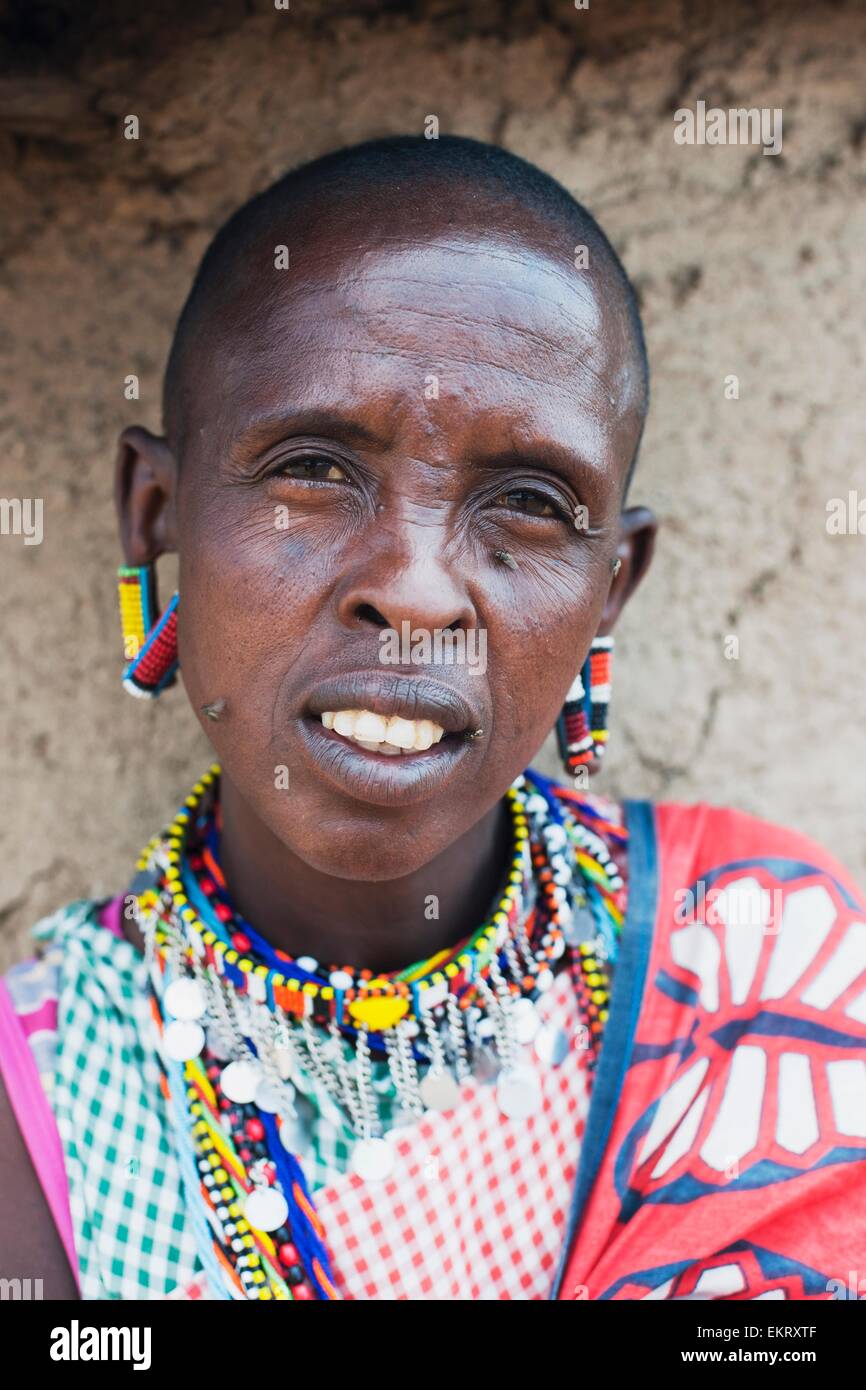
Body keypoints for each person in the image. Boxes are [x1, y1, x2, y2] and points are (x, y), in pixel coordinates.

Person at [2, 134, 865, 1302]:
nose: (412, 589)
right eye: (311, 467)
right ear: (154, 515)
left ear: (611, 585)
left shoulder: (768, 966)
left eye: (527, 501)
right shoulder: (45, 1100)